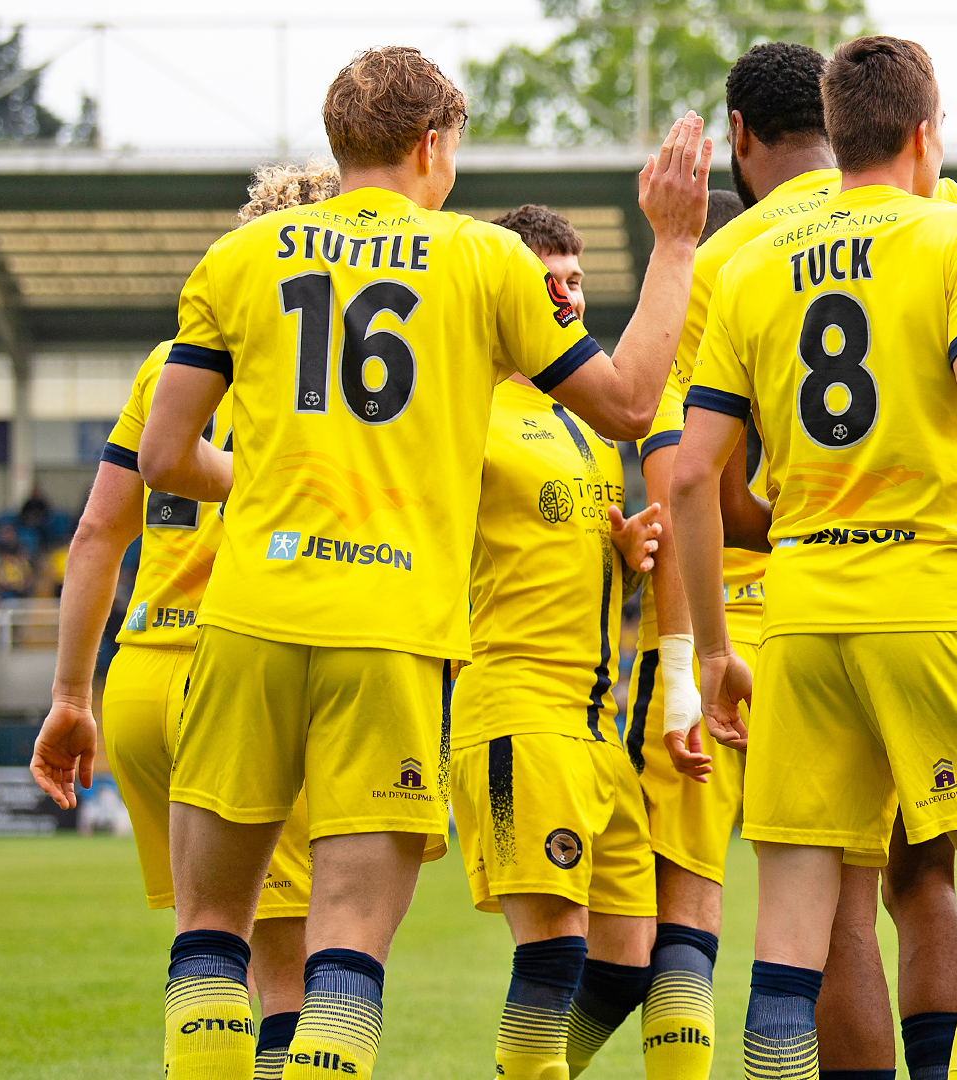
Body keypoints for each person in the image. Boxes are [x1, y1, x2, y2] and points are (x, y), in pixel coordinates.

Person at [128, 46, 708, 1078]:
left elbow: (167, 457)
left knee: (212, 928)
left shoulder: (237, 262)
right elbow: (627, 403)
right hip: (393, 635)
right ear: (432, 144)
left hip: (251, 617)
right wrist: (671, 244)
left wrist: (268, 483)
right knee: (346, 943)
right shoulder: (480, 260)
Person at [631, 40, 957, 1080]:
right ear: (926, 134)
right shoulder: (954, 230)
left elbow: (696, 479)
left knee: (790, 943)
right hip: (927, 589)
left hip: (796, 609)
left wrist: (710, 654)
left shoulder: (741, 260)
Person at [27, 157, 345, 1080]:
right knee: (289, 973)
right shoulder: (316, 362)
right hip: (248, 670)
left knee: (206, 946)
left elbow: (95, 534)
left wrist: (69, 696)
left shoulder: (169, 364)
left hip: (140, 680)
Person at [446, 205, 668, 1080]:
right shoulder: (466, 413)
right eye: (547, 280)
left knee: (627, 956)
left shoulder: (586, 422)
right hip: (515, 711)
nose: (566, 295)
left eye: (575, 279)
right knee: (552, 954)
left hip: (592, 722)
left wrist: (624, 560)